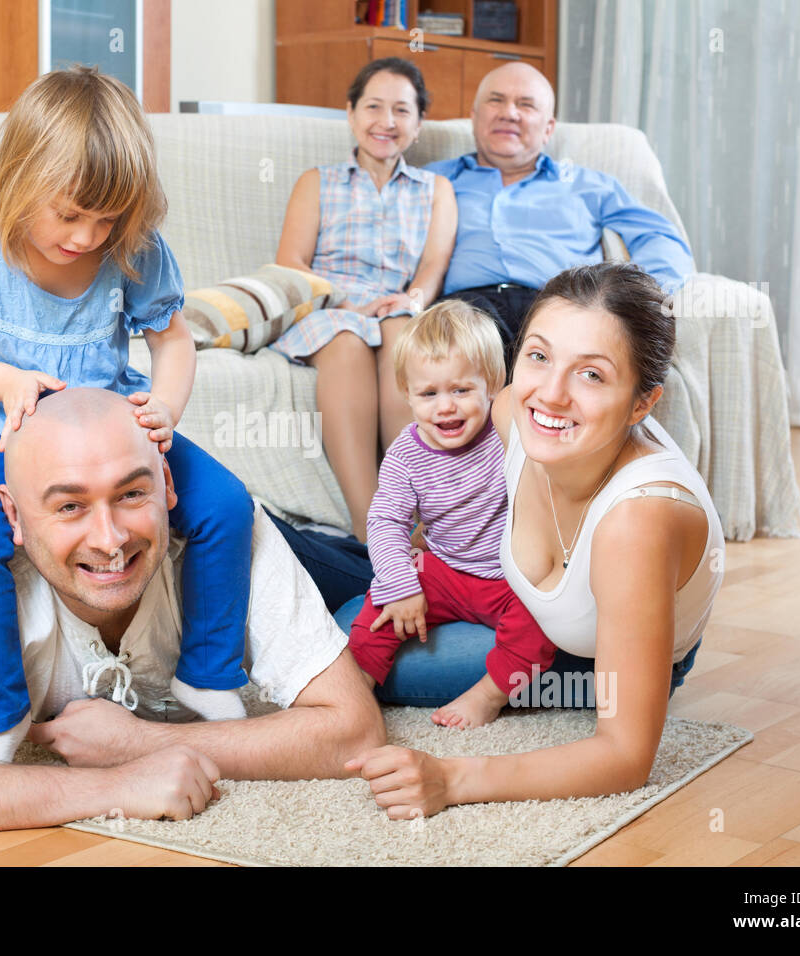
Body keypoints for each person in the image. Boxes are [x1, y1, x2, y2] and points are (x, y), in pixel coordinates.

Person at [0, 389, 386, 833]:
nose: (110, 540)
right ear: (13, 515)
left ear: (166, 484)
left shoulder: (228, 534)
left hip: (317, 556)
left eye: (130, 495)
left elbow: (354, 732)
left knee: (396, 585)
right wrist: (116, 787)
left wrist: (138, 745)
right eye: (69, 506)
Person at [0, 67, 255, 763]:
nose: (89, 236)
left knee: (226, 504)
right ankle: (0, 710)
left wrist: (163, 407)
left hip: (110, 428)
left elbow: (173, 338)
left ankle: (207, 674)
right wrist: (5, 382)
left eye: (109, 219)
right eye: (70, 215)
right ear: (17, 180)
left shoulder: (134, 248)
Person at [344, 262, 724, 817]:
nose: (550, 395)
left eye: (591, 374)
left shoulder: (636, 521)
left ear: (642, 403)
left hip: (589, 657)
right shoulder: (510, 412)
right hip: (491, 599)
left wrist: (453, 779)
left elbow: (625, 756)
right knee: (365, 606)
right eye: (539, 357)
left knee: (342, 636)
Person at [271, 57, 458, 541]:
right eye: (373, 107)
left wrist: (411, 301)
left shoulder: (436, 190)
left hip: (397, 307)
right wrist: (348, 304)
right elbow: (291, 261)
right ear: (351, 114)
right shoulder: (318, 182)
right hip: (328, 307)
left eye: (401, 110)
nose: (386, 122)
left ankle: (413, 516)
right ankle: (368, 524)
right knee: (350, 340)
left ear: (418, 125)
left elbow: (432, 266)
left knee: (402, 337)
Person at [347, 301, 555, 728]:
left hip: (508, 576)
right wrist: (401, 585)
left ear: (494, 386)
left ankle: (488, 696)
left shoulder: (506, 432)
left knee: (542, 621)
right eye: (428, 394)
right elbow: (386, 522)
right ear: (406, 394)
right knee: (376, 610)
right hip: (444, 568)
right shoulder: (406, 456)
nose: (445, 407)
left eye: (461, 390)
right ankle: (351, 696)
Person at [426, 62, 694, 357]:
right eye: (496, 100)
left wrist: (636, 296)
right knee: (464, 354)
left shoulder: (588, 184)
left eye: (526, 105)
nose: (509, 113)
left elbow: (660, 237)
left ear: (548, 128)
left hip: (558, 307)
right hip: (463, 313)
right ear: (474, 117)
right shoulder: (431, 180)